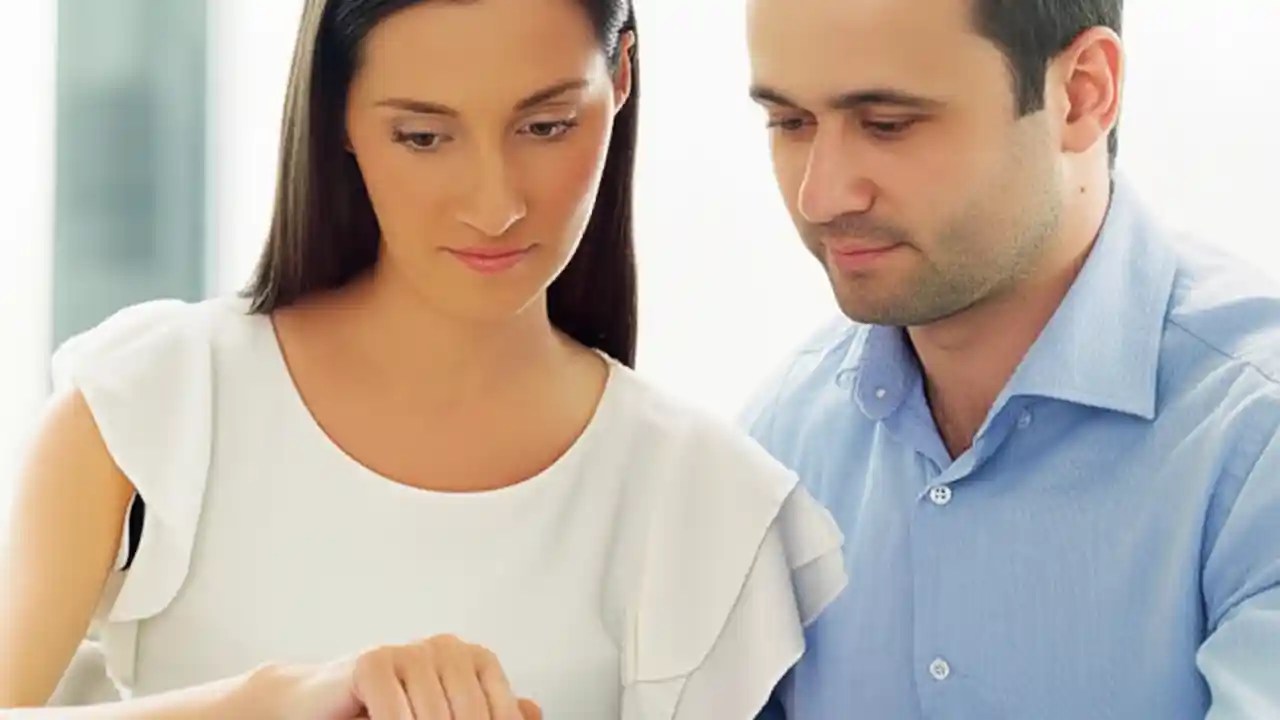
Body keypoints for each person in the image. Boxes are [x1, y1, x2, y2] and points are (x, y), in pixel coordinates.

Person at [0, 0, 847, 717]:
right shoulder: (150, 407)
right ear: (336, 110)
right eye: (422, 136)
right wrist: (272, 701)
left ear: (620, 74)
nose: (494, 204)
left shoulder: (701, 499)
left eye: (546, 126)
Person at [741, 0, 1280, 717]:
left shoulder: (1255, 440)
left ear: (1083, 92)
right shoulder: (779, 448)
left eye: (888, 125)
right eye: (789, 123)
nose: (820, 195)